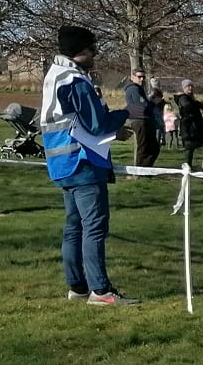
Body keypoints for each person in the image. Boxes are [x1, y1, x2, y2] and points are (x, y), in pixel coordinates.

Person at [41, 25, 137, 306]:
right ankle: (101, 291)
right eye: (93, 49)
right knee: (94, 226)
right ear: (81, 52)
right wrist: (126, 115)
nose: (95, 54)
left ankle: (78, 287)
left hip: (61, 163)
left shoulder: (54, 75)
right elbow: (96, 124)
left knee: (74, 227)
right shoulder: (75, 80)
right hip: (82, 161)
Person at [172, 79, 203, 169]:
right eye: (188, 86)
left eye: (191, 86)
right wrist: (198, 104)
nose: (190, 88)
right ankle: (188, 166)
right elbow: (188, 106)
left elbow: (195, 104)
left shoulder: (190, 98)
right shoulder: (183, 98)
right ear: (184, 88)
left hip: (195, 125)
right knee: (189, 147)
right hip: (189, 126)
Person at [122, 68, 154, 171]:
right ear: (133, 77)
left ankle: (145, 170)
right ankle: (139, 172)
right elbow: (142, 104)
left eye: (143, 77)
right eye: (139, 77)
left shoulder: (139, 88)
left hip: (143, 119)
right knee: (144, 147)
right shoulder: (133, 89)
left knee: (153, 147)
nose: (142, 79)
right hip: (139, 120)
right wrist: (151, 102)